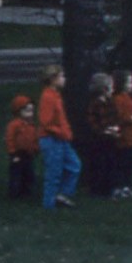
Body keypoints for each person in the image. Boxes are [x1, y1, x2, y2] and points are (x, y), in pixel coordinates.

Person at [37, 64, 81, 208]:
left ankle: (62, 194)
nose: (64, 79)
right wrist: (61, 132)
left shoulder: (56, 95)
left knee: (75, 165)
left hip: (61, 139)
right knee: (53, 173)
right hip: (51, 140)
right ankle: (49, 204)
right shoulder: (47, 97)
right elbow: (46, 122)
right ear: (53, 79)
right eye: (62, 76)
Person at [83, 71, 120, 198]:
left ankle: (110, 188)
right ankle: (98, 190)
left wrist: (114, 128)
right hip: (99, 140)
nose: (113, 89)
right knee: (100, 164)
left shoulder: (110, 102)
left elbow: (114, 117)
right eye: (111, 87)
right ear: (104, 89)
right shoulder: (95, 104)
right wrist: (103, 131)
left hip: (110, 138)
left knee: (111, 163)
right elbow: (93, 123)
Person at [110, 70, 132, 199]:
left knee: (129, 162)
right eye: (129, 82)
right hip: (123, 137)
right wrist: (131, 119)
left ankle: (126, 186)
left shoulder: (126, 98)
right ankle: (121, 186)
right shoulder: (118, 99)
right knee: (123, 162)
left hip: (129, 136)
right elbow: (119, 118)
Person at [5, 95, 39, 200]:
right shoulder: (14, 125)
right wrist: (12, 152)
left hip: (28, 154)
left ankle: (26, 191)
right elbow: (9, 138)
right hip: (17, 153)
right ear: (19, 111)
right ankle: (14, 193)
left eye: (31, 111)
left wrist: (36, 148)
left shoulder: (31, 125)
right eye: (27, 111)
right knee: (16, 174)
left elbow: (33, 138)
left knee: (28, 173)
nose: (30, 113)